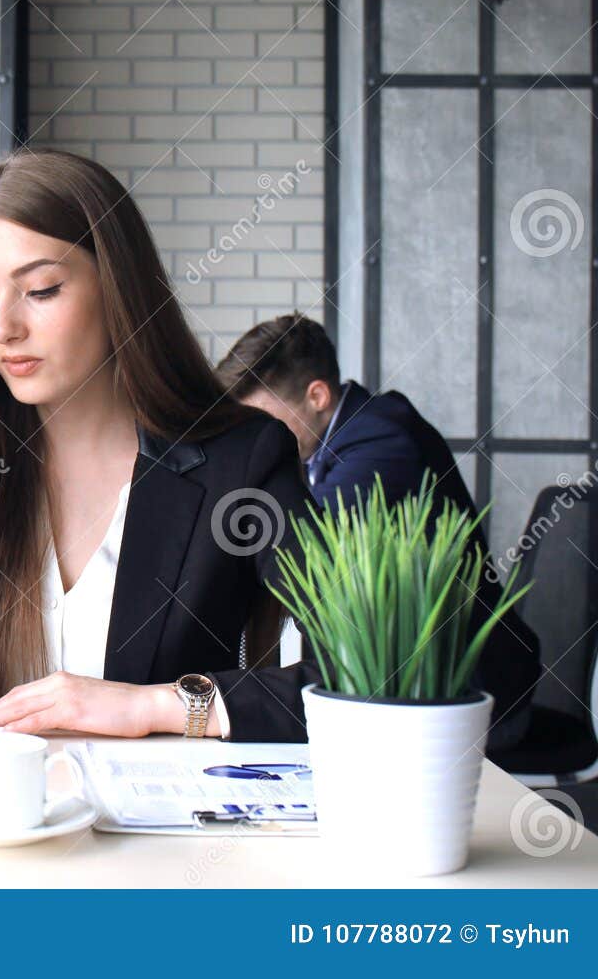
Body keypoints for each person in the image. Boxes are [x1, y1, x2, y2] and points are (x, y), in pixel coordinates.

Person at [0, 149, 319, 753]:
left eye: (40, 290)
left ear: (120, 287)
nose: (2, 328)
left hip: (154, 835)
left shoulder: (238, 457)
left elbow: (374, 671)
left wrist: (156, 705)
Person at [216, 313, 539, 749]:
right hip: (416, 694)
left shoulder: (381, 441)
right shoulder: (344, 441)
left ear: (317, 395)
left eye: (263, 421)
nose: (256, 438)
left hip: (470, 699)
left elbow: (308, 550)